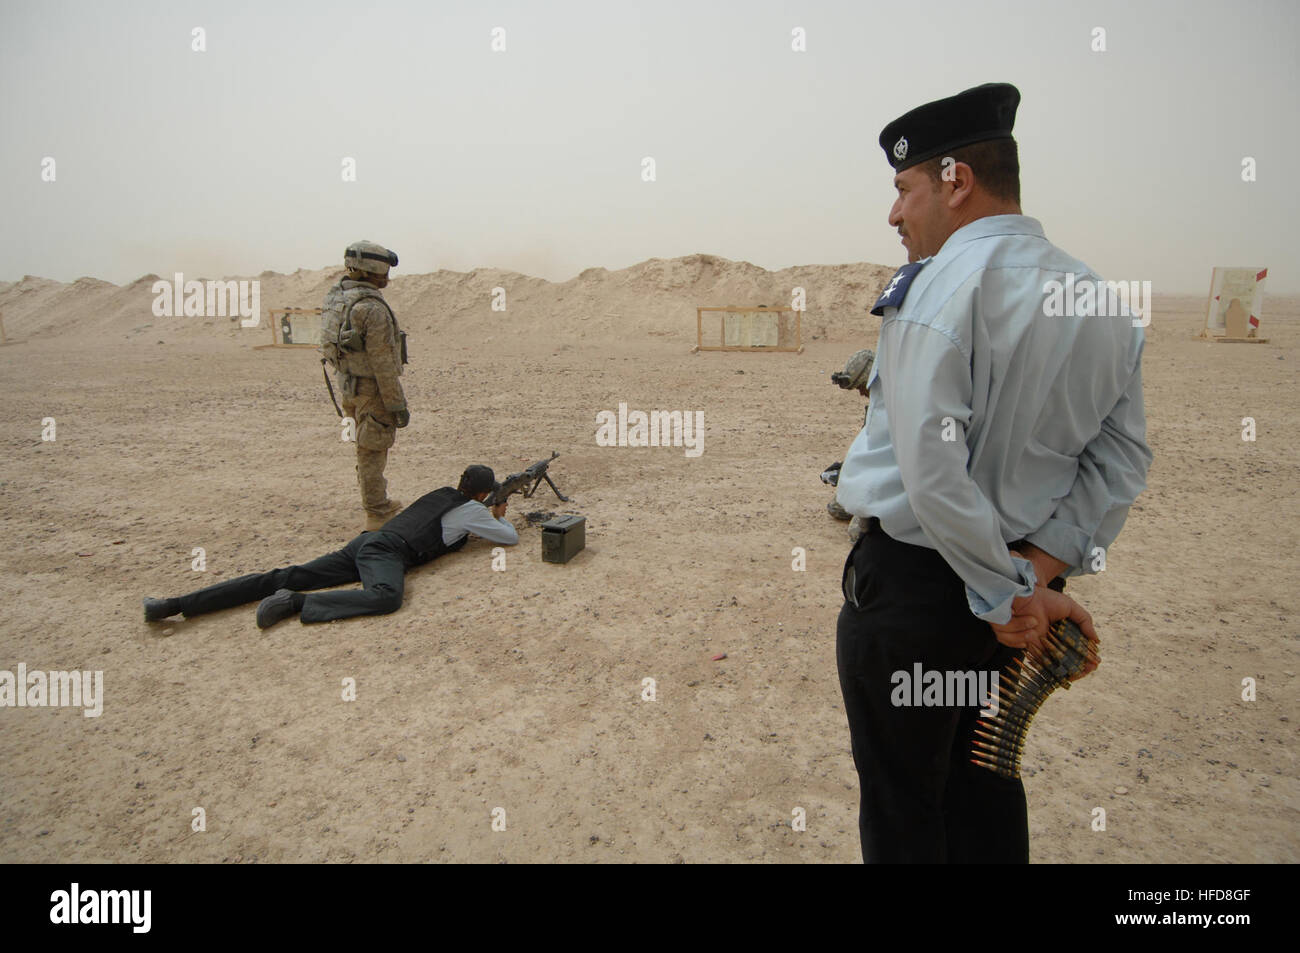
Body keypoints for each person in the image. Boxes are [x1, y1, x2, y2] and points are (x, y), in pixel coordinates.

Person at [833, 83, 1152, 863]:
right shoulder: (1101, 301)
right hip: (1020, 604)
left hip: (920, 595)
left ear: (955, 180)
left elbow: (931, 471)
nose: (894, 214)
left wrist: (1004, 592)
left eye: (904, 190)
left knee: (907, 803)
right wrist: (1033, 575)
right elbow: (1120, 458)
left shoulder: (936, 288)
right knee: (984, 782)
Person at [142, 465, 518, 629]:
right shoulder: (473, 511)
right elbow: (509, 538)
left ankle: (173, 605)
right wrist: (499, 513)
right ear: (484, 494)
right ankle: (296, 603)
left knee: (284, 574)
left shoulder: (442, 493)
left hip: (364, 543)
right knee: (386, 597)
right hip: (385, 553)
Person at [322, 240, 409, 531]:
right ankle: (377, 512)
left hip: (348, 387)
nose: (387, 277)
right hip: (372, 392)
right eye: (384, 271)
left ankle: (376, 501)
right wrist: (397, 404)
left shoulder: (338, 298)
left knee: (363, 447)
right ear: (373, 271)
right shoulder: (372, 308)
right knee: (372, 451)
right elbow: (383, 364)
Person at [824, 348, 874, 541]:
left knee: (858, 534)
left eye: (861, 387)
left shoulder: (896, 405)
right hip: (876, 474)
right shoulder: (877, 405)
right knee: (837, 507)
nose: (861, 393)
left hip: (899, 481)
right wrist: (846, 470)